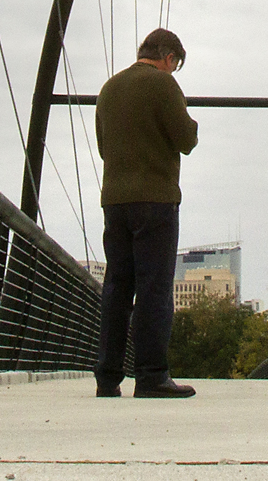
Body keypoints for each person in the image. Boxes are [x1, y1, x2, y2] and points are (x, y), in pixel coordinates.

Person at [93, 28, 200, 398]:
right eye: (175, 65)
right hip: (155, 201)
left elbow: (104, 147)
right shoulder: (163, 85)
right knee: (154, 288)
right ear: (169, 57)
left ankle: (107, 377)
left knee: (117, 288)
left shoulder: (109, 88)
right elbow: (186, 140)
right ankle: (151, 376)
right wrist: (192, 125)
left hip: (114, 202)